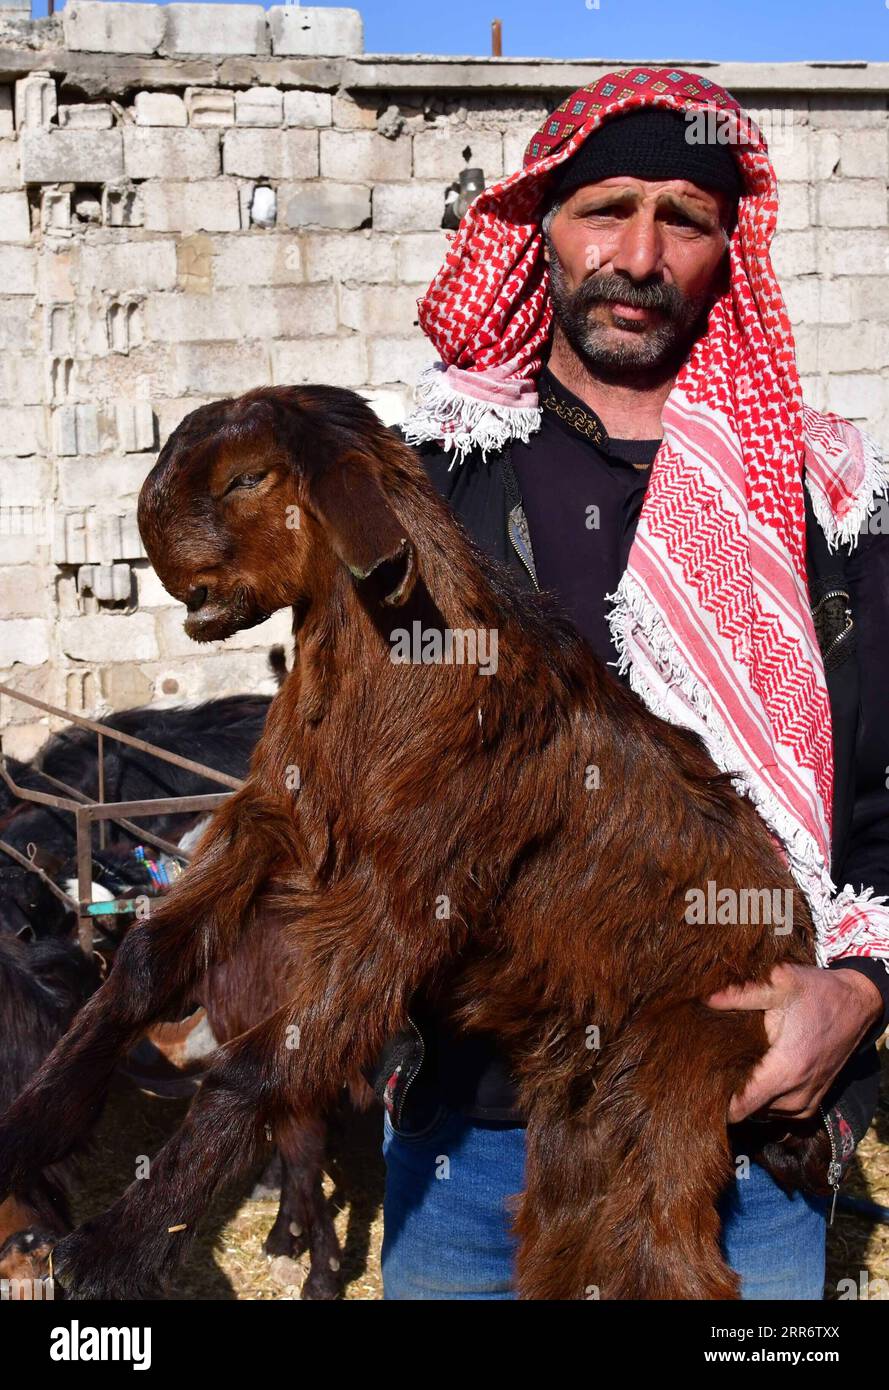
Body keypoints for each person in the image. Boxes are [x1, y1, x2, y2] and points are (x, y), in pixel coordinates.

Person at [369, 68, 889, 1300]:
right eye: (606, 208)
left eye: (684, 218)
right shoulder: (427, 489)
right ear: (538, 228)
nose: (640, 255)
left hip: (737, 1151)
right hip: (470, 1147)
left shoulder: (828, 510)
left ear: (728, 251)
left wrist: (859, 994)